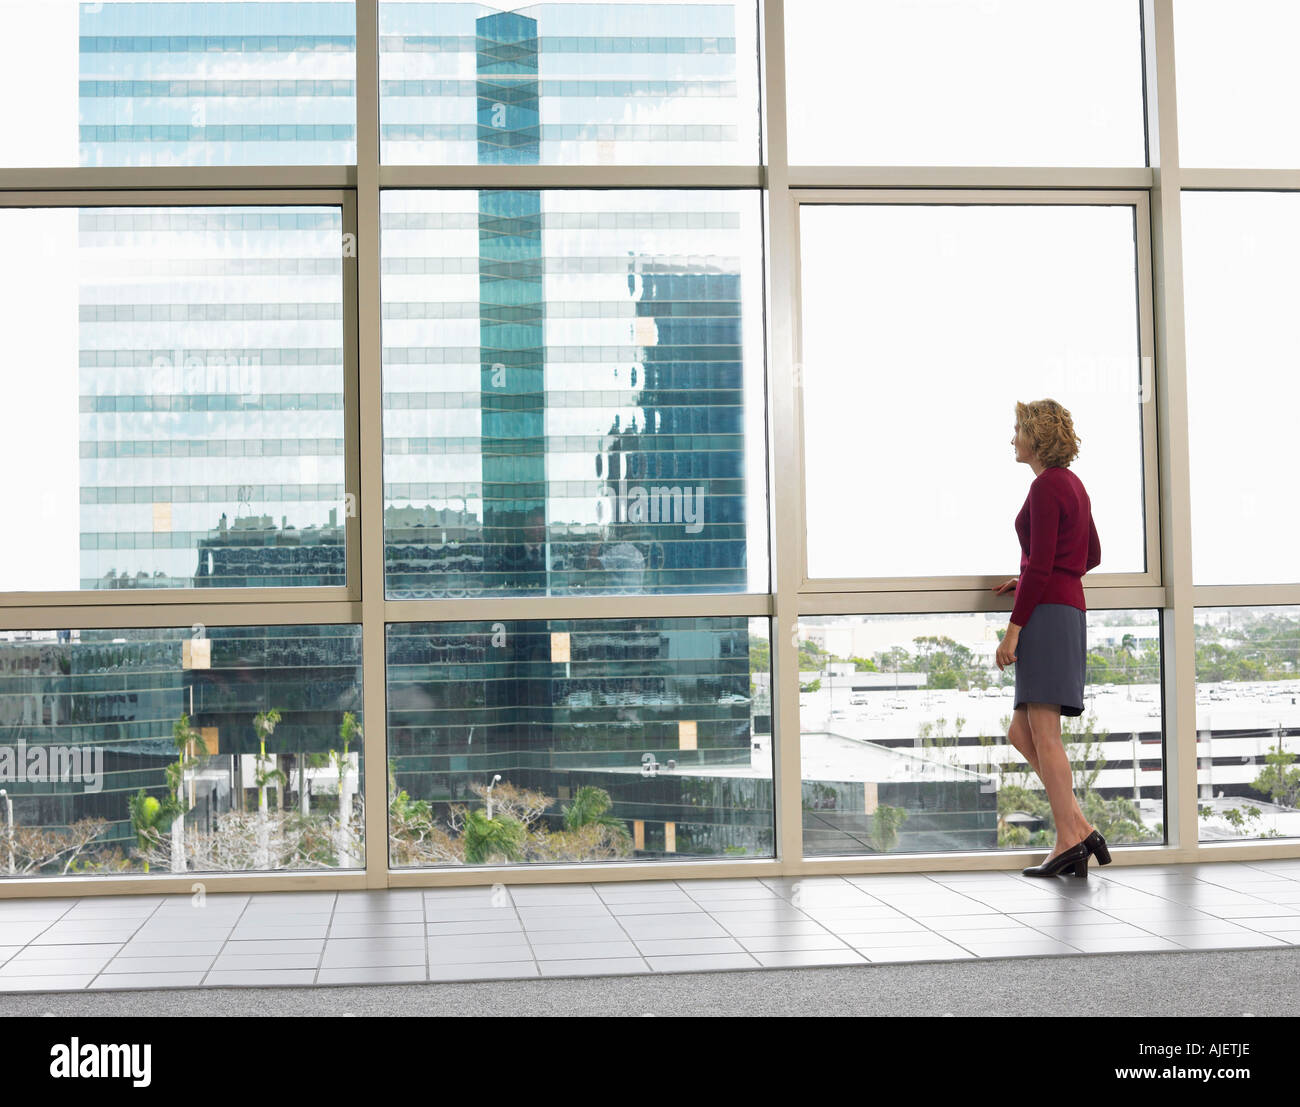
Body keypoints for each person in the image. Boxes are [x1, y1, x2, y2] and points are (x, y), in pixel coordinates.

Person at [992, 399, 1110, 879]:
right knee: (1022, 733)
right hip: (1066, 608)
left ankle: (1070, 838)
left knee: (1045, 735)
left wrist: (1012, 632)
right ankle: (1079, 827)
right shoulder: (1074, 486)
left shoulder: (1045, 487)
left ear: (1036, 437)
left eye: (1018, 430)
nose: (1012, 438)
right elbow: (1091, 554)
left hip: (1046, 617)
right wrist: (1032, 580)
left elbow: (1043, 564)